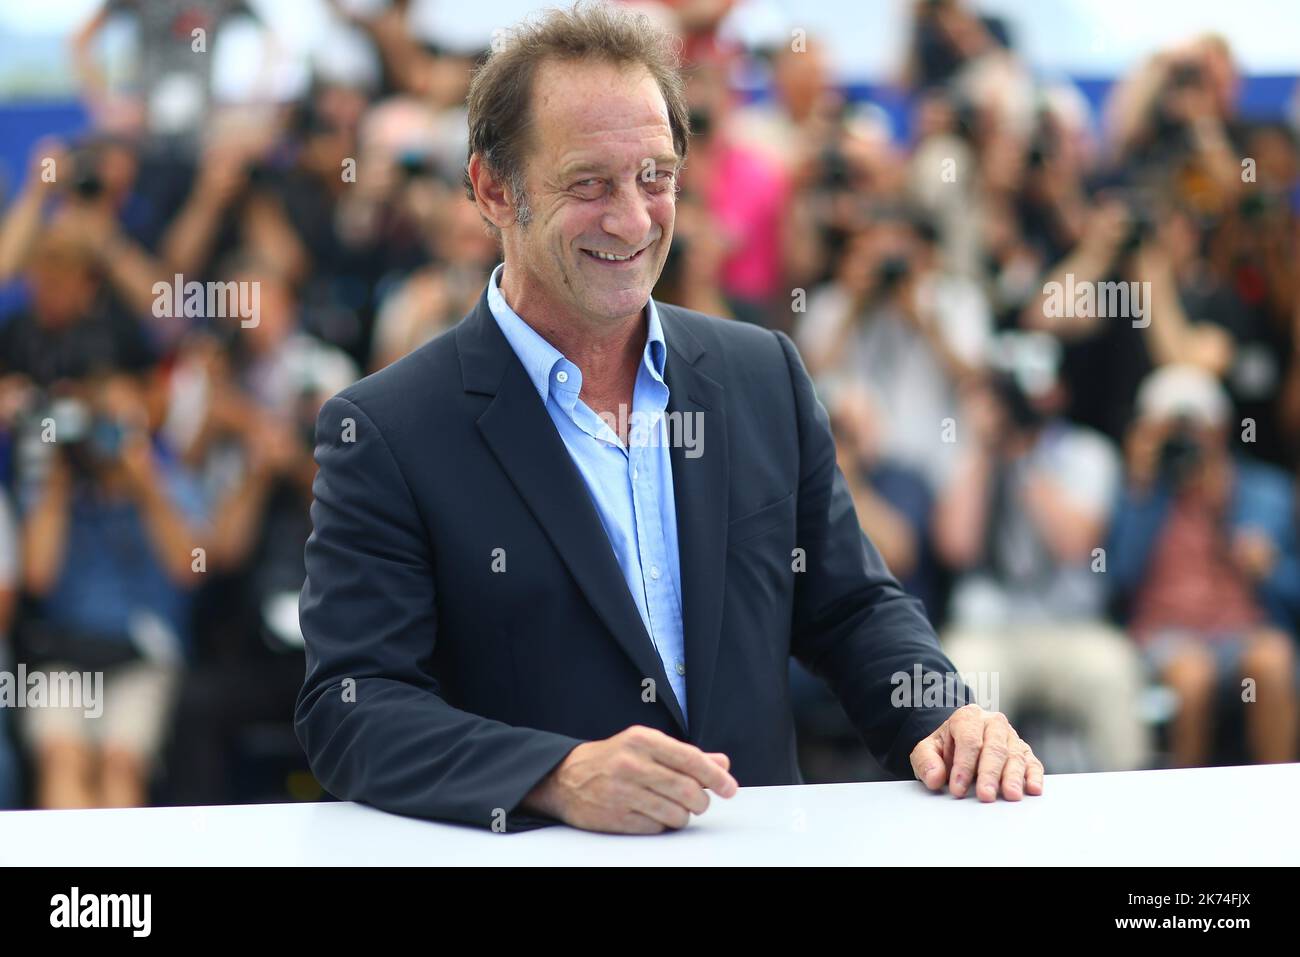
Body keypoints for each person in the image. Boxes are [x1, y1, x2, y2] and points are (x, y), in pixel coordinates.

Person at [296, 2, 1044, 835]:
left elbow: (850, 606)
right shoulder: (387, 430)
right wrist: (554, 773)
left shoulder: (761, 374)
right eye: (589, 183)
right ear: (492, 189)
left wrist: (943, 713)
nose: (632, 217)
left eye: (655, 176)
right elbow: (352, 705)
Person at [1109, 364, 1299, 767]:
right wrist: (1142, 490)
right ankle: (1187, 800)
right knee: (1192, 674)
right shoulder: (1140, 492)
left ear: (1221, 429)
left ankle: (1282, 798)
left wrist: (1268, 566)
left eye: (1195, 428)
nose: (1187, 441)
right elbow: (1118, 577)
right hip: (1165, 634)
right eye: (1172, 430)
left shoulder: (1265, 491)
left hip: (1241, 630)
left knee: (1273, 658)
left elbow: (1292, 591)